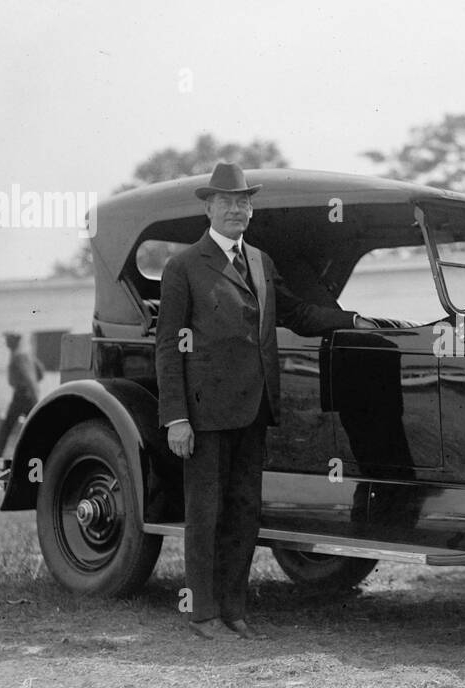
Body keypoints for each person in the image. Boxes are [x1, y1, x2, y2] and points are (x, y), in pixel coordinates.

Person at [154, 161, 377, 641]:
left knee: (243, 513)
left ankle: (234, 611)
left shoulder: (259, 260)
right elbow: (169, 347)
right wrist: (176, 418)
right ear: (208, 207)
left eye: (244, 202)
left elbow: (296, 313)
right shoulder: (183, 267)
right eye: (227, 201)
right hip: (204, 414)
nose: (237, 209)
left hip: (254, 411)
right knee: (206, 514)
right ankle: (204, 615)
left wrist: (351, 321)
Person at [0, 332, 43, 458]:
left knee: (7, 427)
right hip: (25, 395)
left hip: (22, 395)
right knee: (34, 425)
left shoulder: (19, 356)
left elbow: (30, 377)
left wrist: (31, 392)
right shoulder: (24, 354)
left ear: (14, 341)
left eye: (8, 339)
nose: (6, 342)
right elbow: (40, 373)